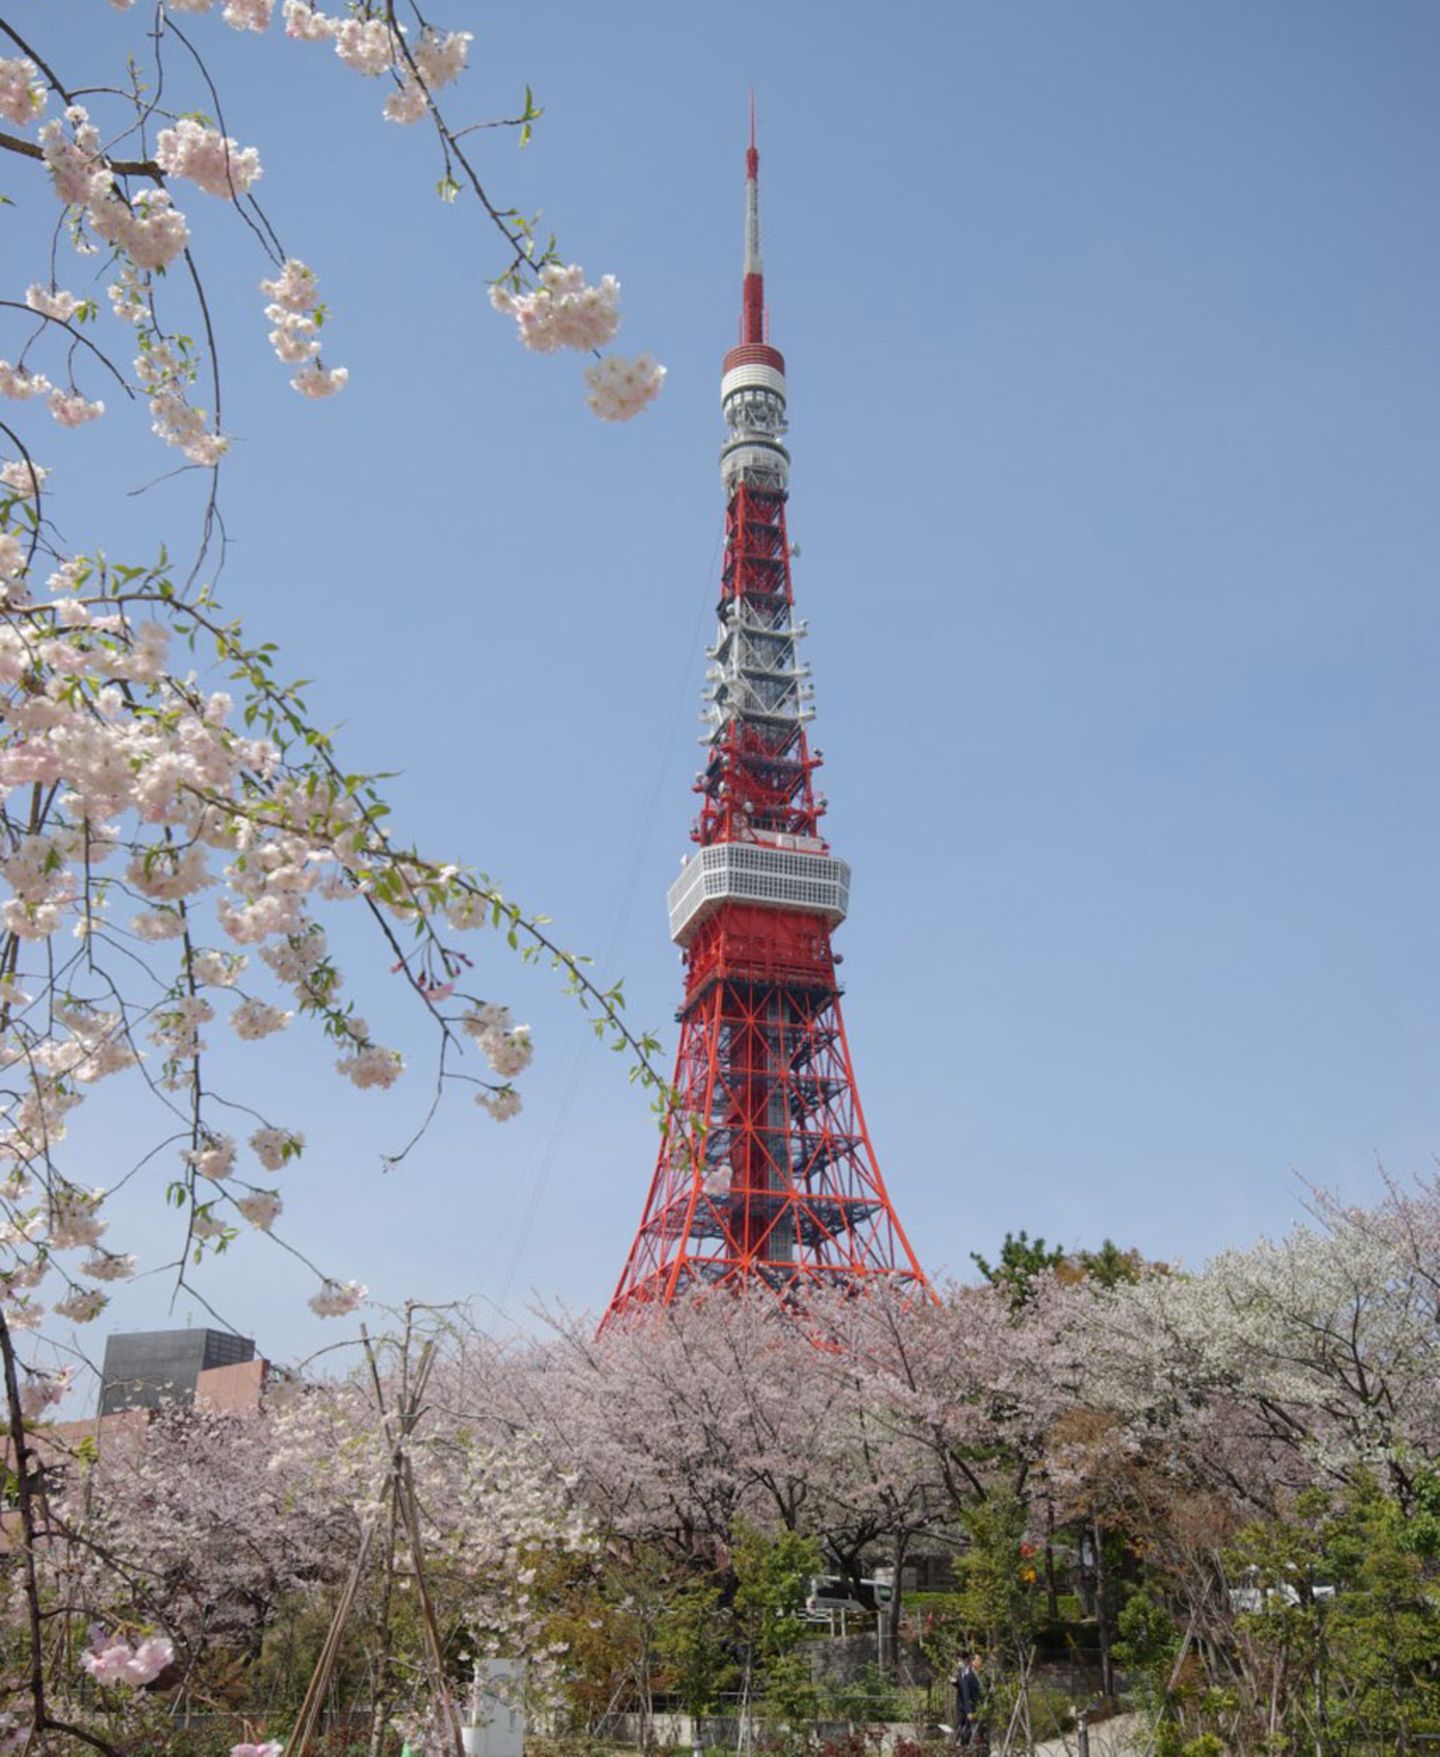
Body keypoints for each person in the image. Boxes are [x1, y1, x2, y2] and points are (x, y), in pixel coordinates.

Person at [953, 1652, 985, 1749]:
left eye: (981, 1659)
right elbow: (966, 1694)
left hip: (980, 1708)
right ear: (972, 1662)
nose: (980, 1662)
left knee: (979, 1734)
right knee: (969, 1733)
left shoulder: (981, 1675)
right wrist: (969, 1711)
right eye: (978, 1660)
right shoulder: (967, 1675)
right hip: (971, 1708)